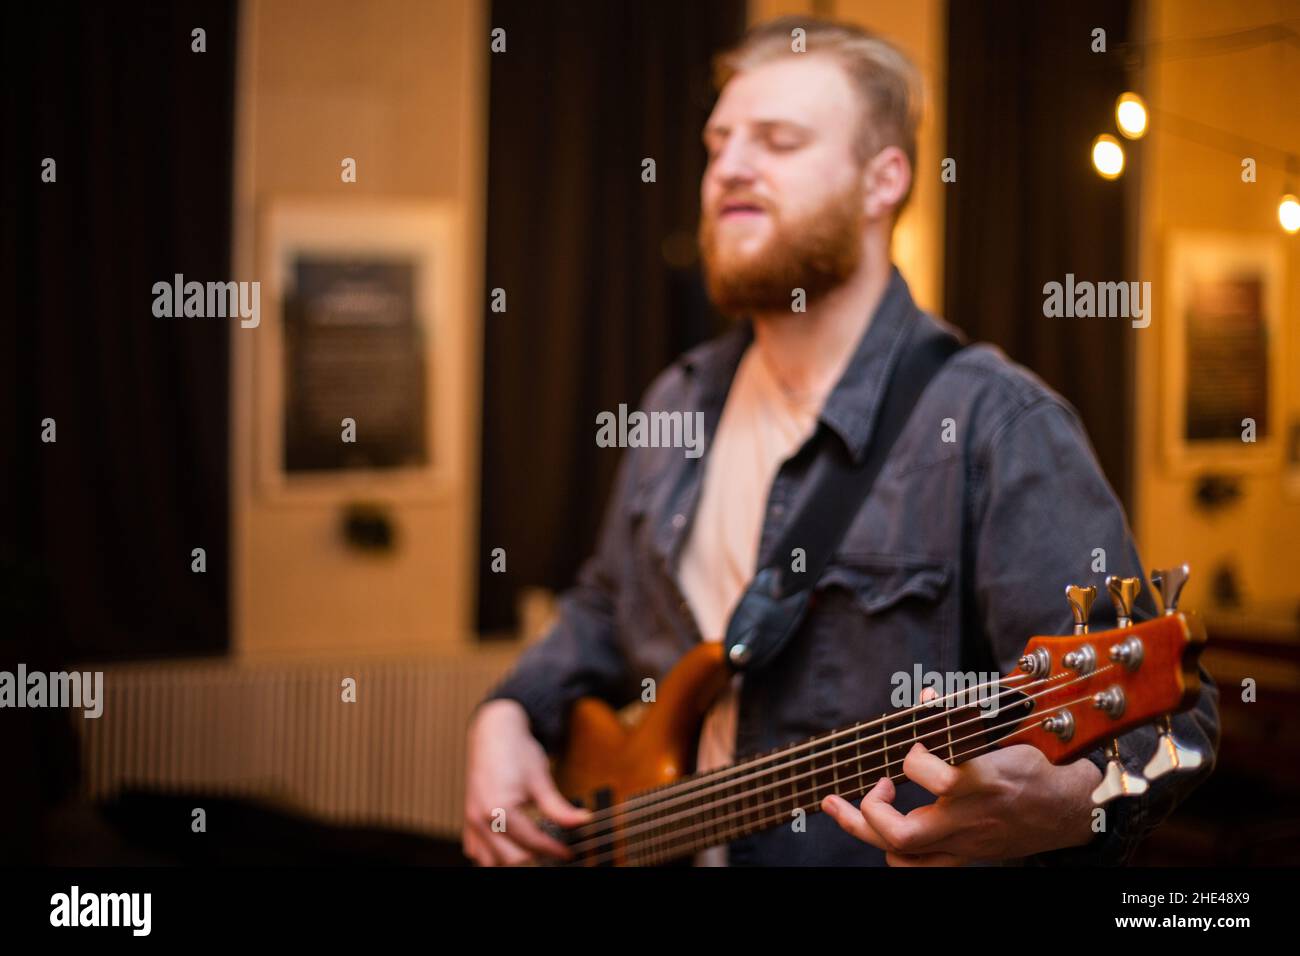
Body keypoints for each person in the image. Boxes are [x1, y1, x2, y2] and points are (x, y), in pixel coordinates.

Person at [463, 16, 1218, 867]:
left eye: (778, 141)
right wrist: (508, 712)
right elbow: (605, 606)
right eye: (718, 144)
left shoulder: (997, 425)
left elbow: (1174, 729)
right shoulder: (679, 399)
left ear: (881, 180)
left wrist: (1077, 807)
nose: (730, 168)